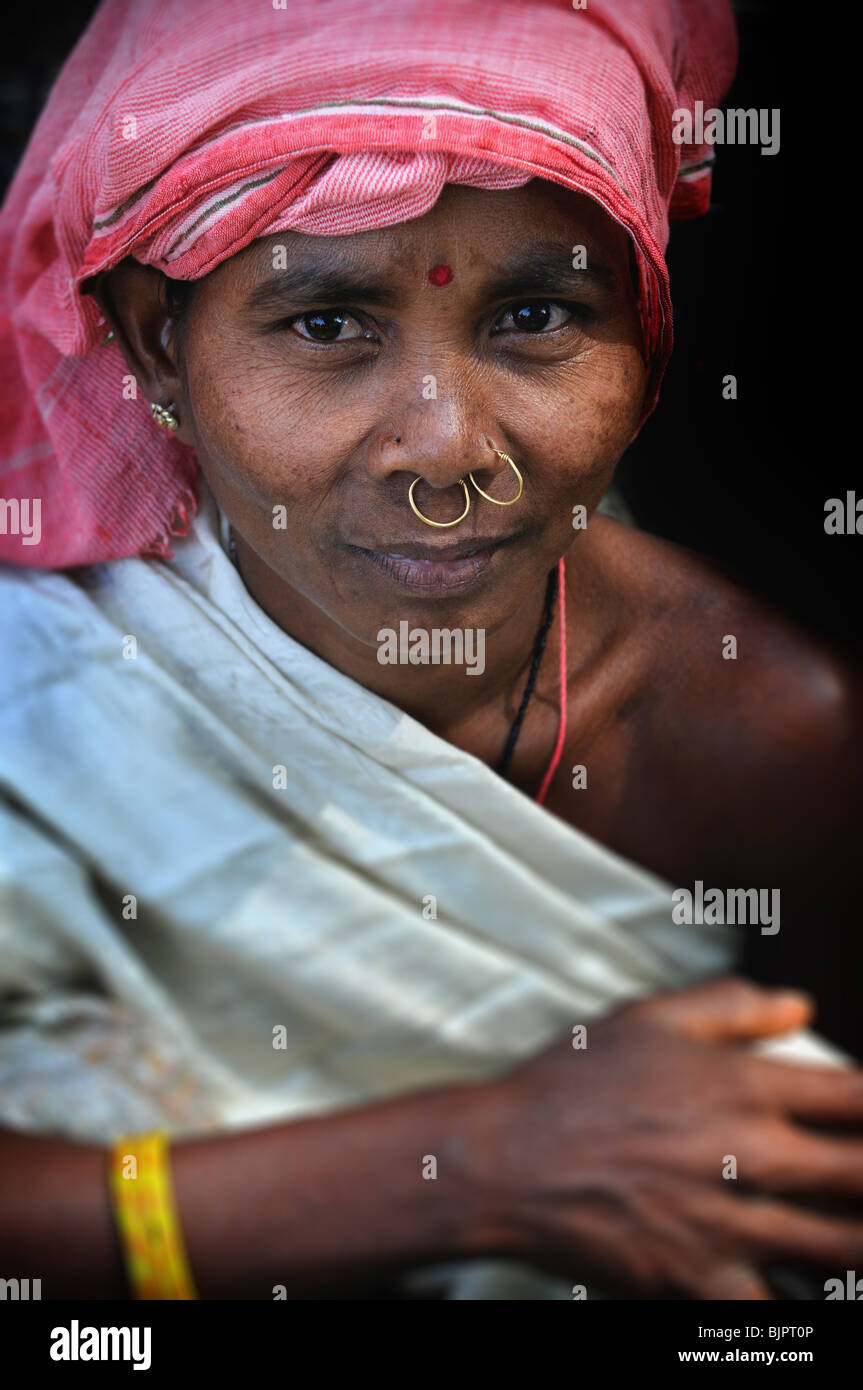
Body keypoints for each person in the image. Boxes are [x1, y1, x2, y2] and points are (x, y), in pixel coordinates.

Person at [0, 0, 860, 1302]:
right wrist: (481, 1157)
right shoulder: (42, 674)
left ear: (646, 334)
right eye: (329, 322)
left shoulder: (758, 734)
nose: (447, 449)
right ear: (155, 343)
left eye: (535, 316)